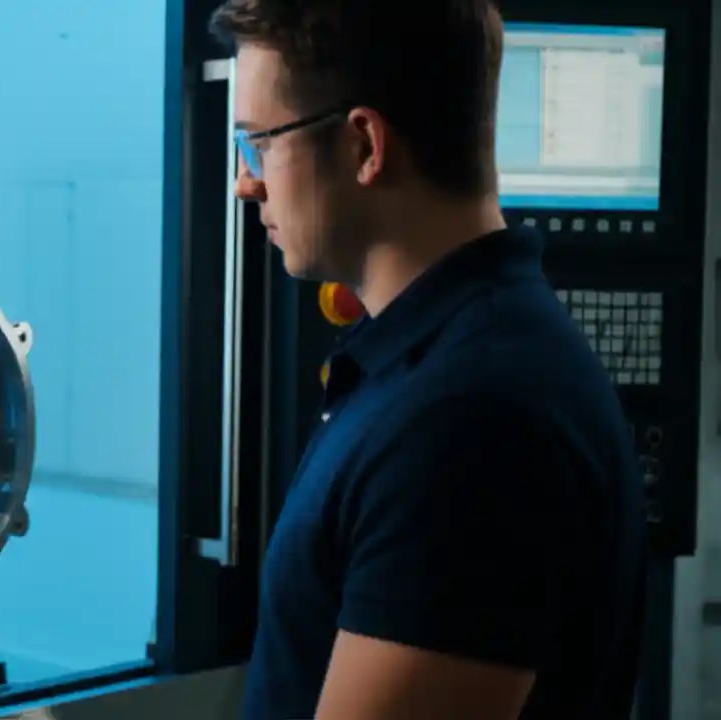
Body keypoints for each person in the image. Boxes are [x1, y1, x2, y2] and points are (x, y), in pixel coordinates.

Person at [208, 1, 648, 718]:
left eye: (259, 144)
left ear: (364, 147)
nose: (245, 182)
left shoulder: (470, 421)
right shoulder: (446, 361)